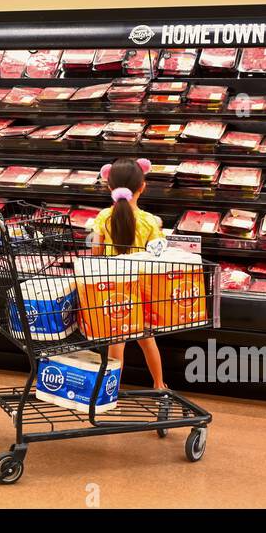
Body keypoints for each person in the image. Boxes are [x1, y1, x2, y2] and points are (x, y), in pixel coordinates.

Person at [88, 157, 166, 389]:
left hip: (114, 289)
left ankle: (111, 390)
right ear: (142, 186)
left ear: (109, 186)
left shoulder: (103, 217)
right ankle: (159, 384)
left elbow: (96, 252)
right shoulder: (150, 221)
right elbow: (158, 257)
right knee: (147, 340)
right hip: (142, 288)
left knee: (116, 343)